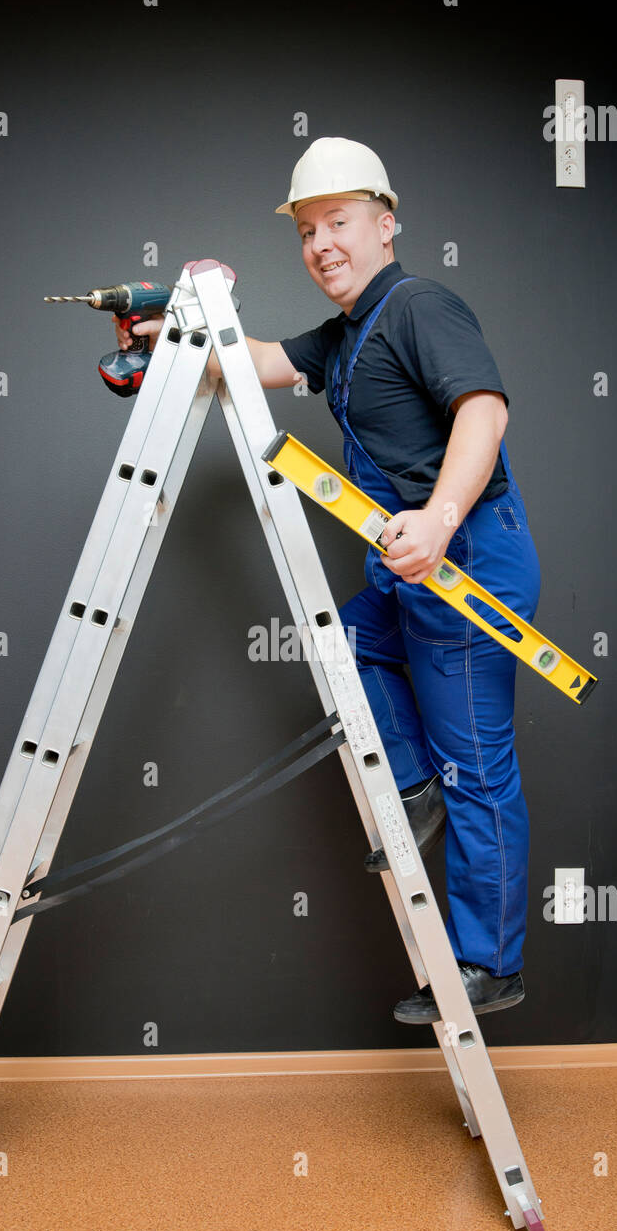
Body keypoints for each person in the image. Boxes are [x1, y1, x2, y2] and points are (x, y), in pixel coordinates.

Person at [114, 136, 541, 1021]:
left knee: (477, 770)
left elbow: (483, 410)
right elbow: (258, 363)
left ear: (385, 225)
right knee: (343, 644)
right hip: (402, 563)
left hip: (463, 557)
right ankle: (412, 784)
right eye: (307, 231)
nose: (321, 245)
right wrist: (177, 333)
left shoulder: (420, 304)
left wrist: (439, 520)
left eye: (337, 222)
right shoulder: (348, 332)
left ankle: (489, 964)